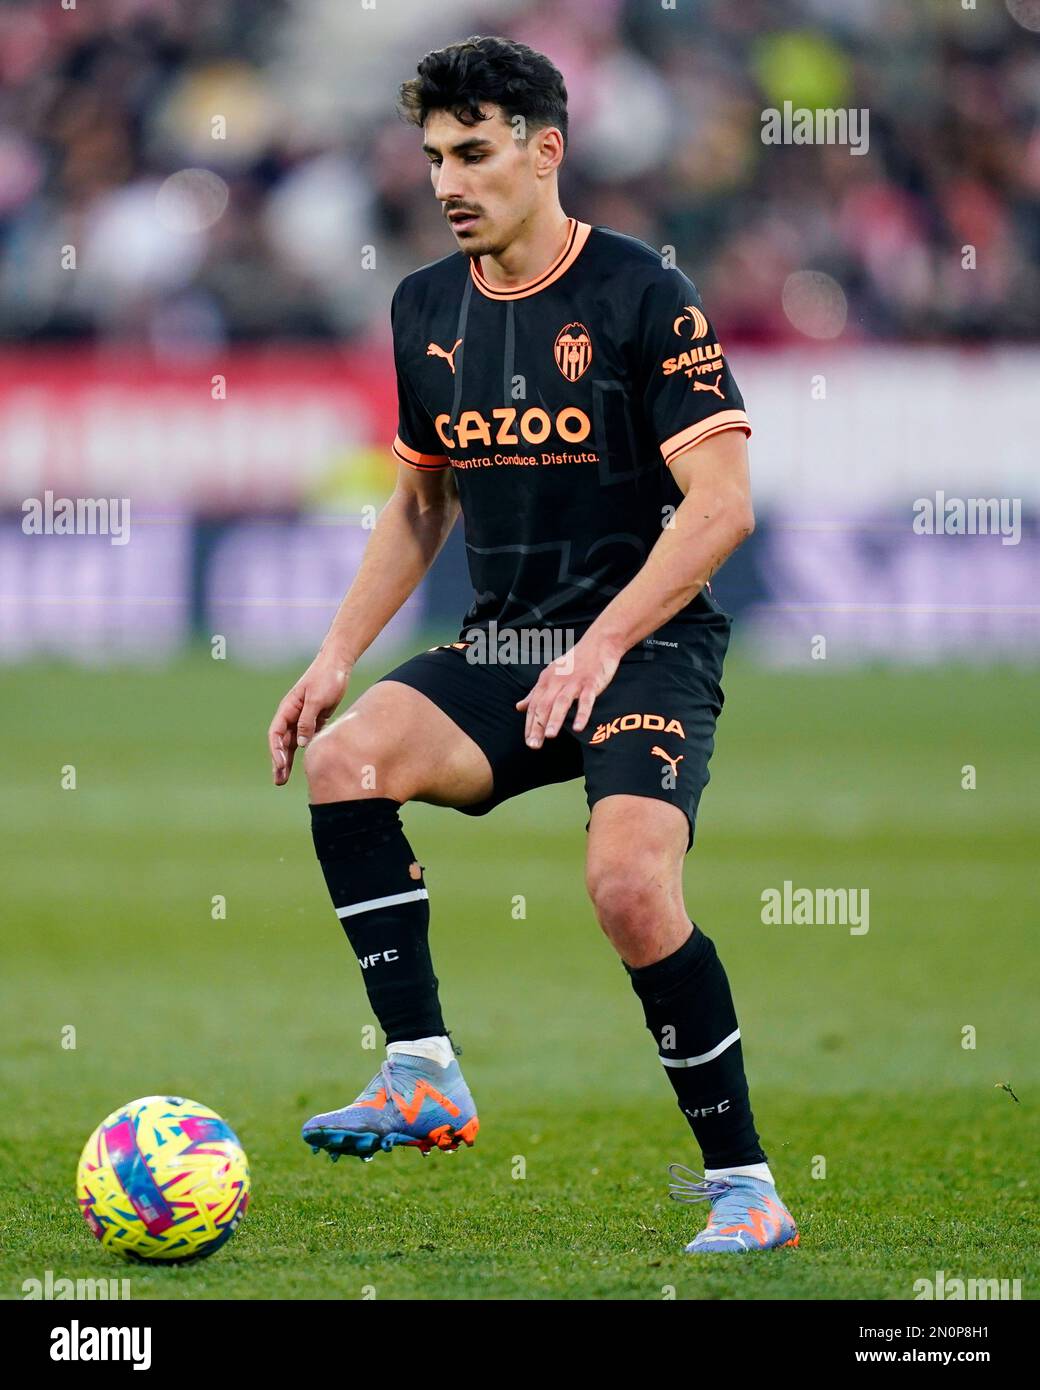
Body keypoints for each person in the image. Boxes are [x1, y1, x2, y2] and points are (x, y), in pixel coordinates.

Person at [268, 35, 798, 1254]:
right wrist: (333, 654)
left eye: (473, 151)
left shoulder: (640, 294)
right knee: (347, 759)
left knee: (625, 885)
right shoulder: (423, 308)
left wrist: (603, 644)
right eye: (433, 157)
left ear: (543, 149)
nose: (448, 180)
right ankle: (422, 1070)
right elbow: (418, 501)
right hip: (509, 650)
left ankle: (744, 1186)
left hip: (645, 646)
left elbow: (720, 506)